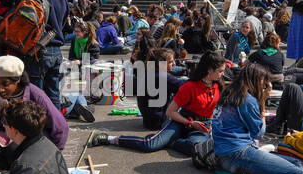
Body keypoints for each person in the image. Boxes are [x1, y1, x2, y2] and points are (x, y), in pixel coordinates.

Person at [213, 66, 303, 174]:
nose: (264, 86)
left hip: (223, 155)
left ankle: (252, 173)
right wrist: (262, 103)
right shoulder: (247, 99)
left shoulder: (228, 92)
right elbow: (259, 132)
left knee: (298, 164)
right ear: (256, 80)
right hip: (238, 154)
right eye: (264, 82)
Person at [91, 52, 223, 153]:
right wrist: (189, 123)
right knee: (150, 144)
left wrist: (211, 126)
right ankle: (111, 139)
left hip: (202, 124)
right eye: (220, 71)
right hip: (182, 120)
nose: (223, 74)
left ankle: (171, 141)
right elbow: (170, 112)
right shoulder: (189, 86)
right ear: (209, 70)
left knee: (195, 148)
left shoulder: (219, 86)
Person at [0, 0, 70, 109]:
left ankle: (36, 130)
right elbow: (63, 23)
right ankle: (54, 130)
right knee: (53, 95)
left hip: (35, 52)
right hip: (56, 51)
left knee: (34, 97)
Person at [0, 54, 68, 152]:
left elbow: (60, 126)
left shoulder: (36, 95)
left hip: (32, 143)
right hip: (3, 138)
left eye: (5, 84)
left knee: (17, 149)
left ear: (17, 79)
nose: (0, 89)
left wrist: (53, 154)